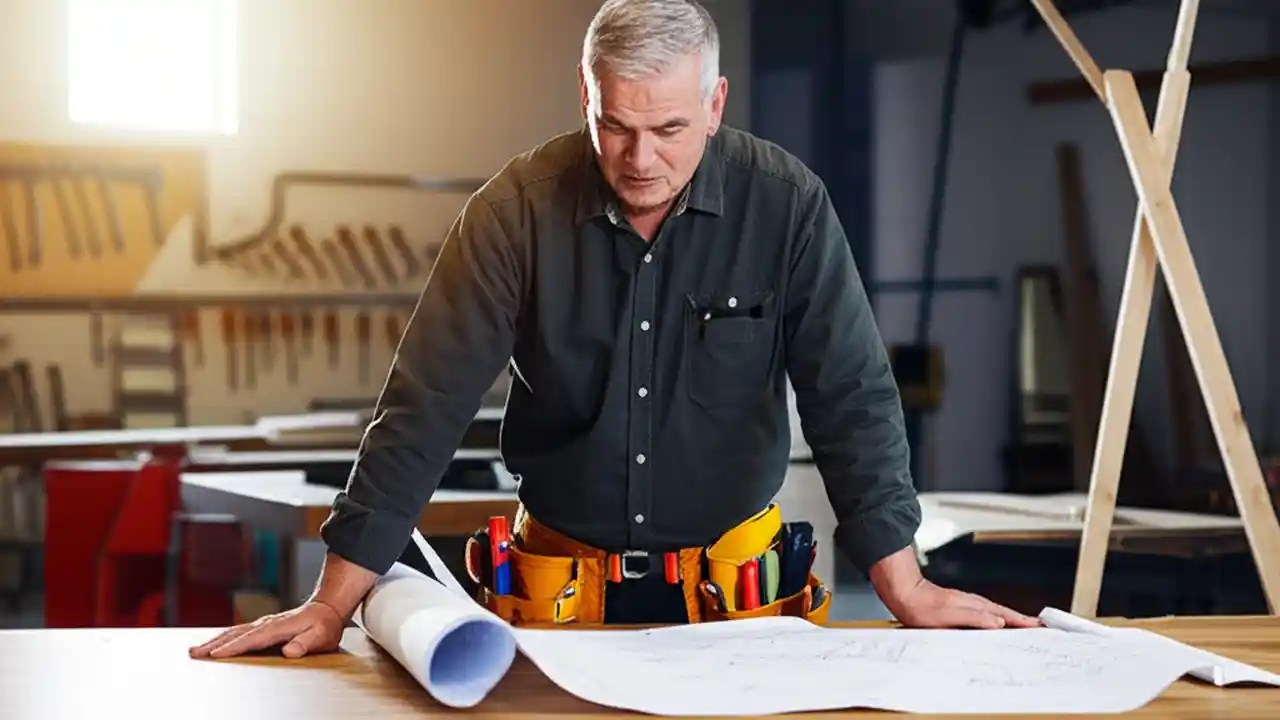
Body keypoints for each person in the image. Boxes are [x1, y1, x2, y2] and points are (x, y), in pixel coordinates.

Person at [191, 0, 1038, 661]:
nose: (640, 159)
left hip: (740, 608)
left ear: (715, 104)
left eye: (669, 129)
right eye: (615, 127)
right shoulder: (515, 212)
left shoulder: (785, 206)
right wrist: (334, 601)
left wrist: (905, 584)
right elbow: (424, 405)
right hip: (556, 605)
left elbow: (850, 394)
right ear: (586, 96)